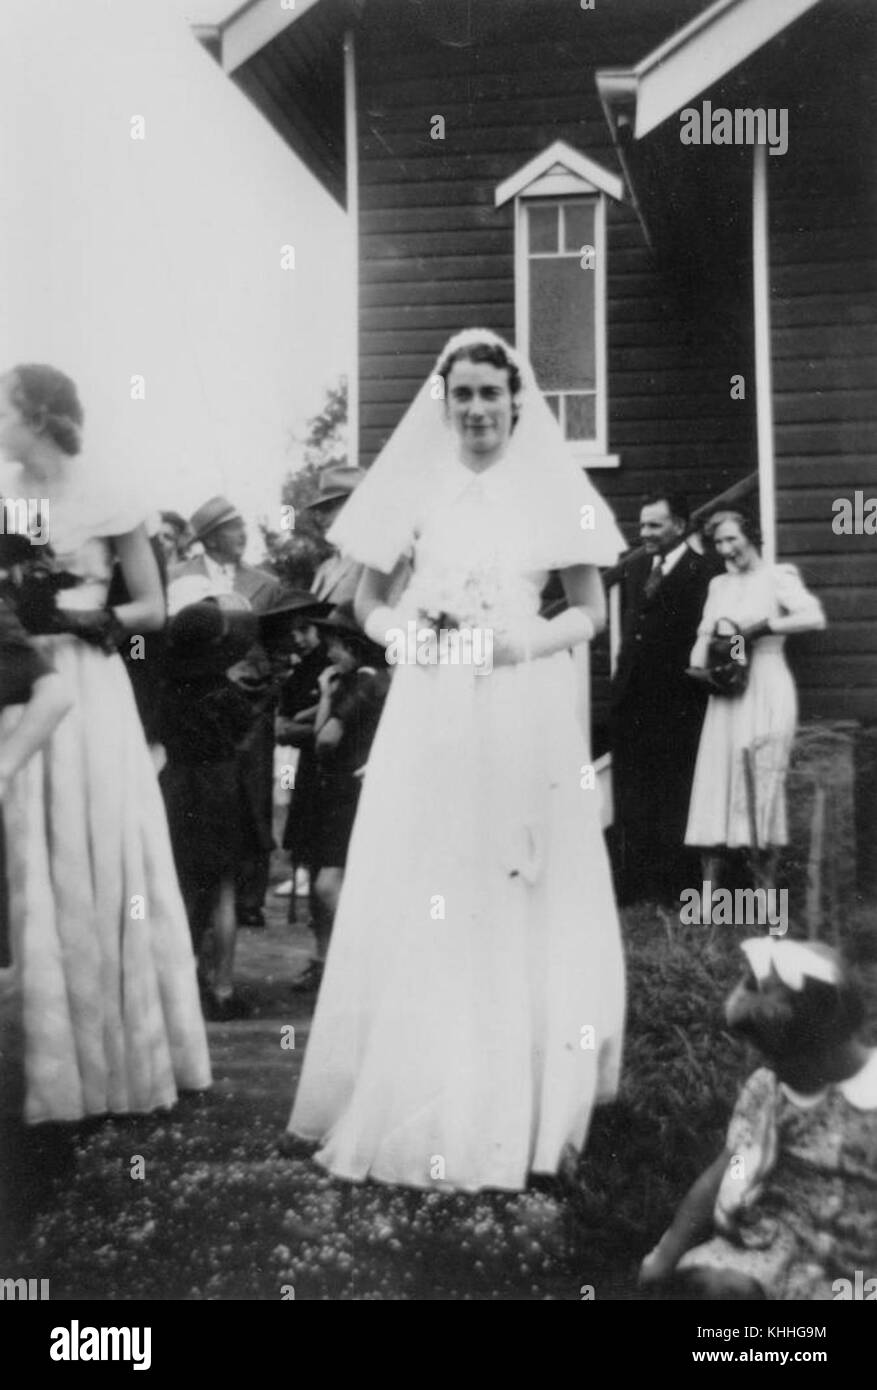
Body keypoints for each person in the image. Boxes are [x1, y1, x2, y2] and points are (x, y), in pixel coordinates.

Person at [282, 328, 627, 1191]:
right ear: (444, 404)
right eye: (461, 394)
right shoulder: (416, 492)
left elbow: (589, 611)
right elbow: (365, 601)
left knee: (511, 881)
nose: (475, 408)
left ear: (516, 402)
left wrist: (518, 645)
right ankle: (415, 1083)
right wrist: (413, 638)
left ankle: (519, 1106)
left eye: (488, 394)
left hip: (519, 708)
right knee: (424, 880)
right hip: (431, 709)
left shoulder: (552, 492)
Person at [0, 362, 211, 1124]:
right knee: (33, 852)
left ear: (37, 414)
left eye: (5, 410)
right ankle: (44, 1065)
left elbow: (156, 606)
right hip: (23, 683)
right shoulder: (3, 494)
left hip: (89, 685)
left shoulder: (110, 491)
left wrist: (103, 621)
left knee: (100, 846)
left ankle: (124, 1058)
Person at [639, 936, 877, 1300]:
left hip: (857, 1269)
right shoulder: (770, 1088)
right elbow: (724, 1170)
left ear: (823, 1046)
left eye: (780, 1060)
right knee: (710, 1287)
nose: (772, 1071)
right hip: (773, 1248)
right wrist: (666, 1253)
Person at [684, 510, 825, 890]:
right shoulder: (719, 586)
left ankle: (765, 897)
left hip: (766, 683)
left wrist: (761, 629)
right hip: (728, 689)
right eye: (719, 543)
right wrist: (700, 670)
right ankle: (711, 901)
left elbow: (813, 617)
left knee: (762, 780)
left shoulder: (778, 576)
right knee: (717, 779)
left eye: (733, 539)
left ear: (752, 536)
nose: (727, 549)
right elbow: (704, 635)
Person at [169, 496, 282, 928]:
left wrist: (265, 683)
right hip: (195, 702)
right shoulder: (177, 577)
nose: (244, 536)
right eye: (235, 529)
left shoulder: (265, 583)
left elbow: (275, 645)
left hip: (249, 706)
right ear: (212, 537)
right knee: (198, 796)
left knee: (253, 794)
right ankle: (196, 893)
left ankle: (250, 897)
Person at [609, 494, 712, 905]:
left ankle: (675, 888)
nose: (645, 534)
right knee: (632, 791)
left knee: (672, 791)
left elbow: (722, 634)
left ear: (681, 526)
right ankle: (634, 885)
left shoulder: (705, 572)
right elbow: (631, 630)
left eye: (654, 526)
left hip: (675, 702)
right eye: (643, 525)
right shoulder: (636, 567)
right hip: (631, 701)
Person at [159, 601, 259, 1020]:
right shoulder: (226, 691)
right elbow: (245, 731)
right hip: (219, 786)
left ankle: (180, 987)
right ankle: (223, 986)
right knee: (222, 890)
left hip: (177, 784)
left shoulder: (163, 688)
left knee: (179, 886)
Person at [288, 602, 388, 993]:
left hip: (348, 790)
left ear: (354, 646)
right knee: (339, 877)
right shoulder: (367, 680)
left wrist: (328, 700)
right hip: (345, 792)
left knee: (329, 883)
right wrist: (328, 692)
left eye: (335, 646)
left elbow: (325, 739)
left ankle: (361, 954)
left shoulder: (365, 683)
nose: (329, 654)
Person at [306, 465, 367, 605]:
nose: (320, 517)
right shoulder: (325, 569)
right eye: (319, 510)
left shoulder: (375, 561)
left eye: (329, 507)